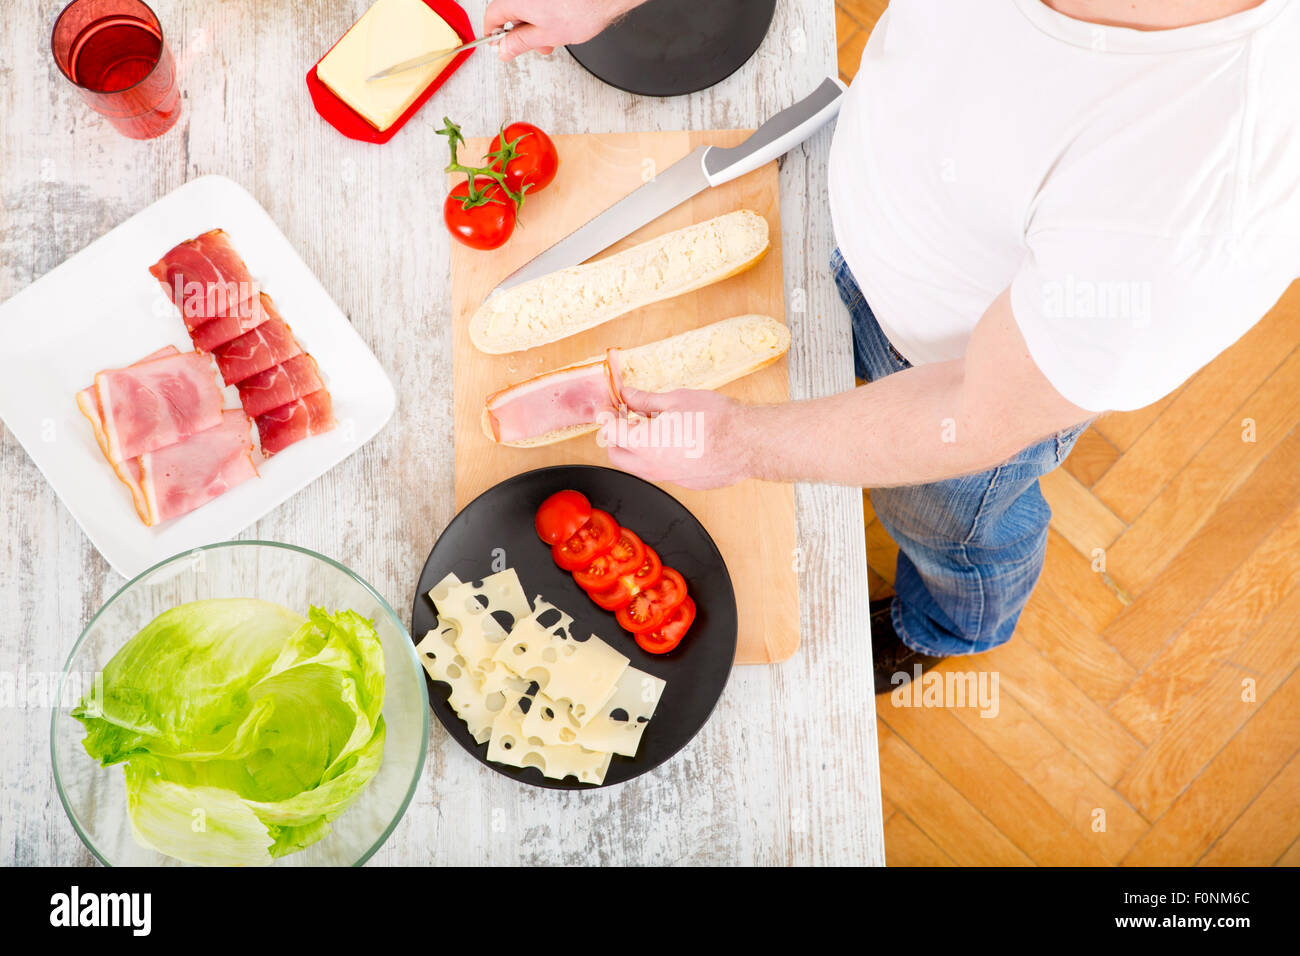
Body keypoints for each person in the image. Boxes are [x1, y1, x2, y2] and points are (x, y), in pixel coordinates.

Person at [483, 0, 1300, 692]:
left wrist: (741, 441)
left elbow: (980, 413)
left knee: (953, 527)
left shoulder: (1199, 198)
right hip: (868, 214)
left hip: (942, 373)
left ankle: (946, 627)